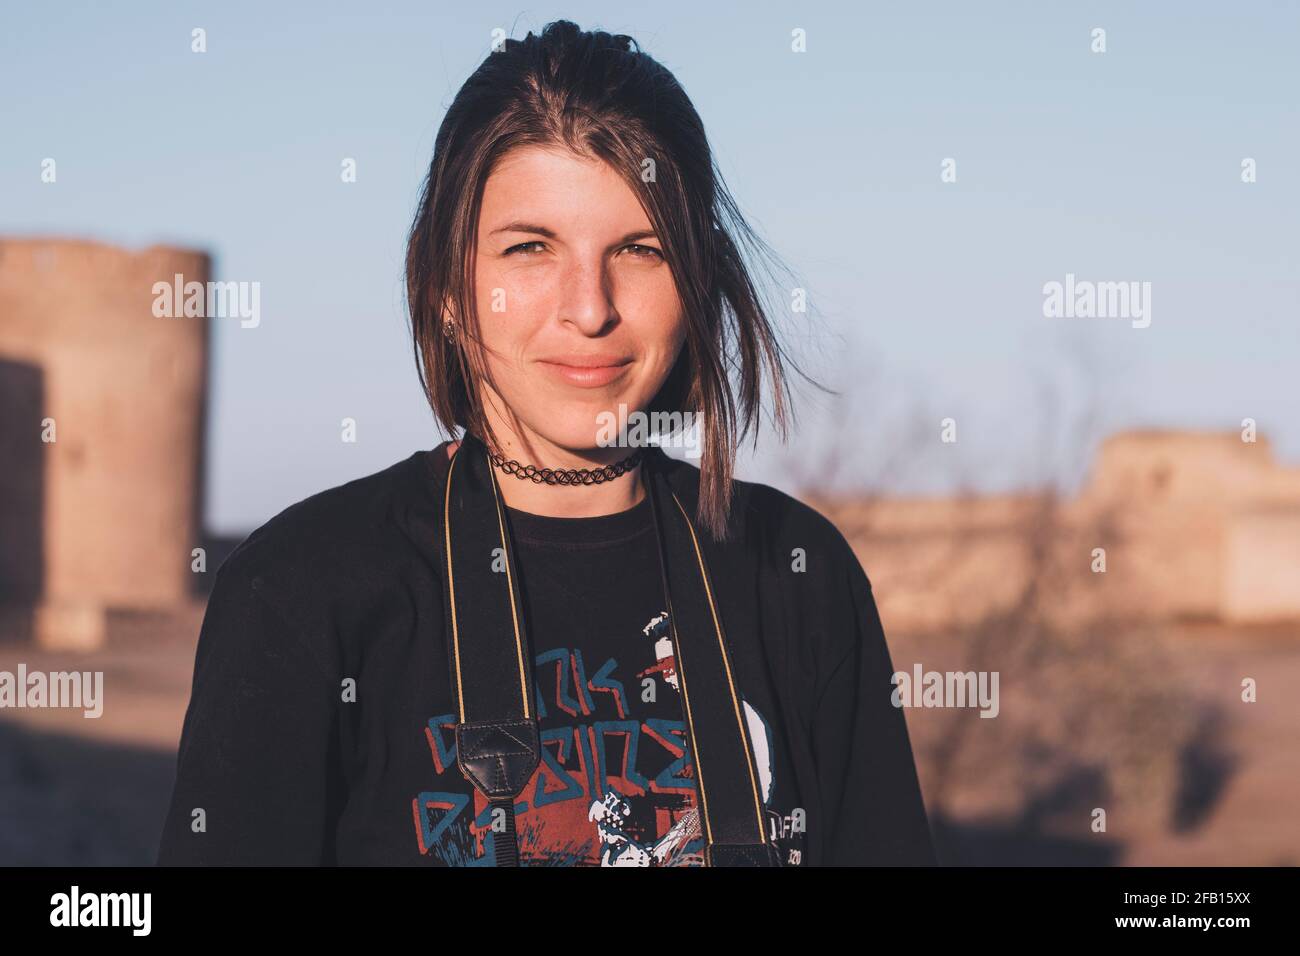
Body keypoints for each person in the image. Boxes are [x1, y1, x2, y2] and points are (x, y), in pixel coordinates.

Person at [157, 20, 935, 867]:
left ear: (697, 282)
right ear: (445, 282)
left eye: (641, 250)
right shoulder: (301, 595)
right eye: (531, 248)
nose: (590, 307)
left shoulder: (796, 575)